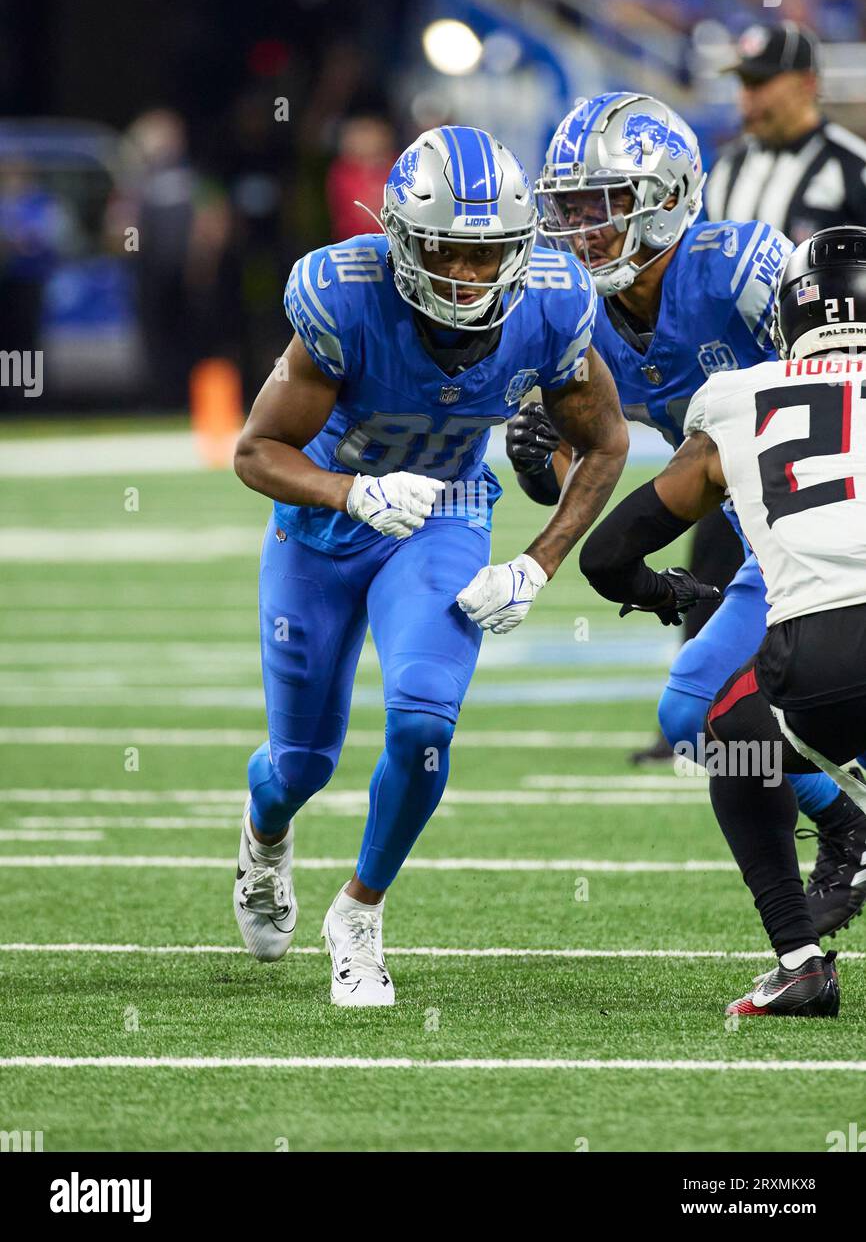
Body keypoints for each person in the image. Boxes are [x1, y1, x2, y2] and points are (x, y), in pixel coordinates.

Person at [232, 125, 629, 1005]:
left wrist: (536, 564)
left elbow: (605, 443)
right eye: (449, 250)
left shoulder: (553, 301)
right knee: (301, 764)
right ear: (404, 242)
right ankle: (264, 840)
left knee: (422, 725)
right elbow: (256, 452)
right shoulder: (345, 294)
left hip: (445, 511)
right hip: (324, 526)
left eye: (490, 255)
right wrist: (350, 493)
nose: (470, 276)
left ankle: (360, 914)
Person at [506, 90, 866, 937]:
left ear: (666, 197)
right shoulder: (575, 310)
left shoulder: (739, 268)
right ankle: (846, 819)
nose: (584, 227)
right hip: (761, 544)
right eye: (570, 206)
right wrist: (542, 454)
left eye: (604, 204)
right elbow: (580, 465)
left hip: (826, 531)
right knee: (686, 713)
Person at [579, 226, 866, 1017]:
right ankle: (851, 830)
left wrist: (670, 592)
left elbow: (607, 557)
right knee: (704, 712)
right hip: (792, 606)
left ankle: (801, 960)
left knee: (736, 737)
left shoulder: (739, 397)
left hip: (817, 656)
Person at [705, 21, 866, 246]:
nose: (746, 95)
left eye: (759, 82)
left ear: (807, 83)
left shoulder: (854, 167)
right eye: (743, 81)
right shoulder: (725, 165)